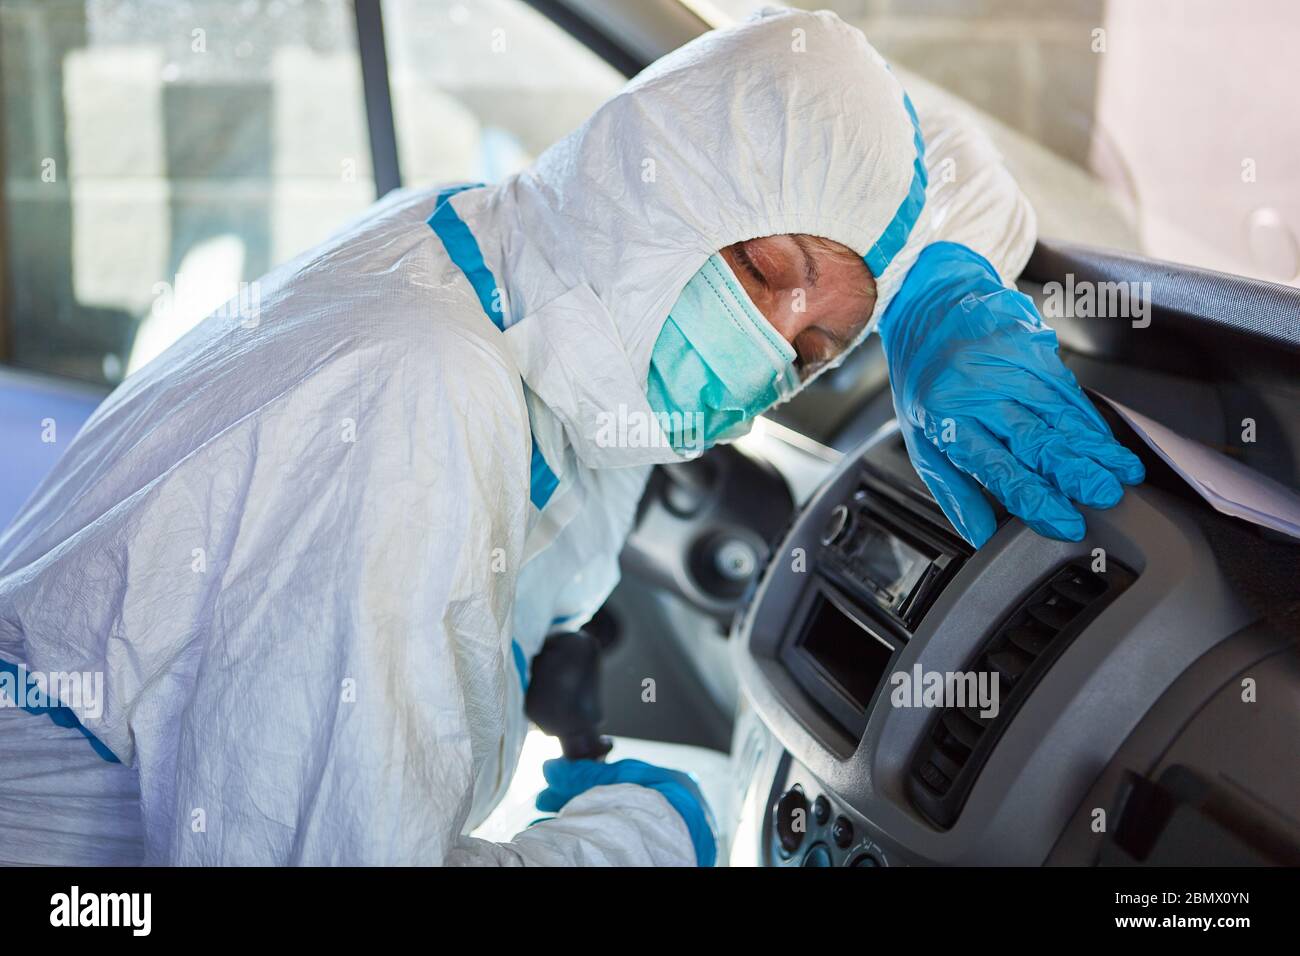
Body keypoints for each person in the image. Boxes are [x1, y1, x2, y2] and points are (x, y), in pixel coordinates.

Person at [0, 8, 1141, 866]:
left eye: (811, 355)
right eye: (756, 270)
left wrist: (943, 284)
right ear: (668, 182)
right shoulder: (425, 392)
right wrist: (653, 831)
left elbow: (875, 138)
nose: (765, 350)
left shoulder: (492, 261)